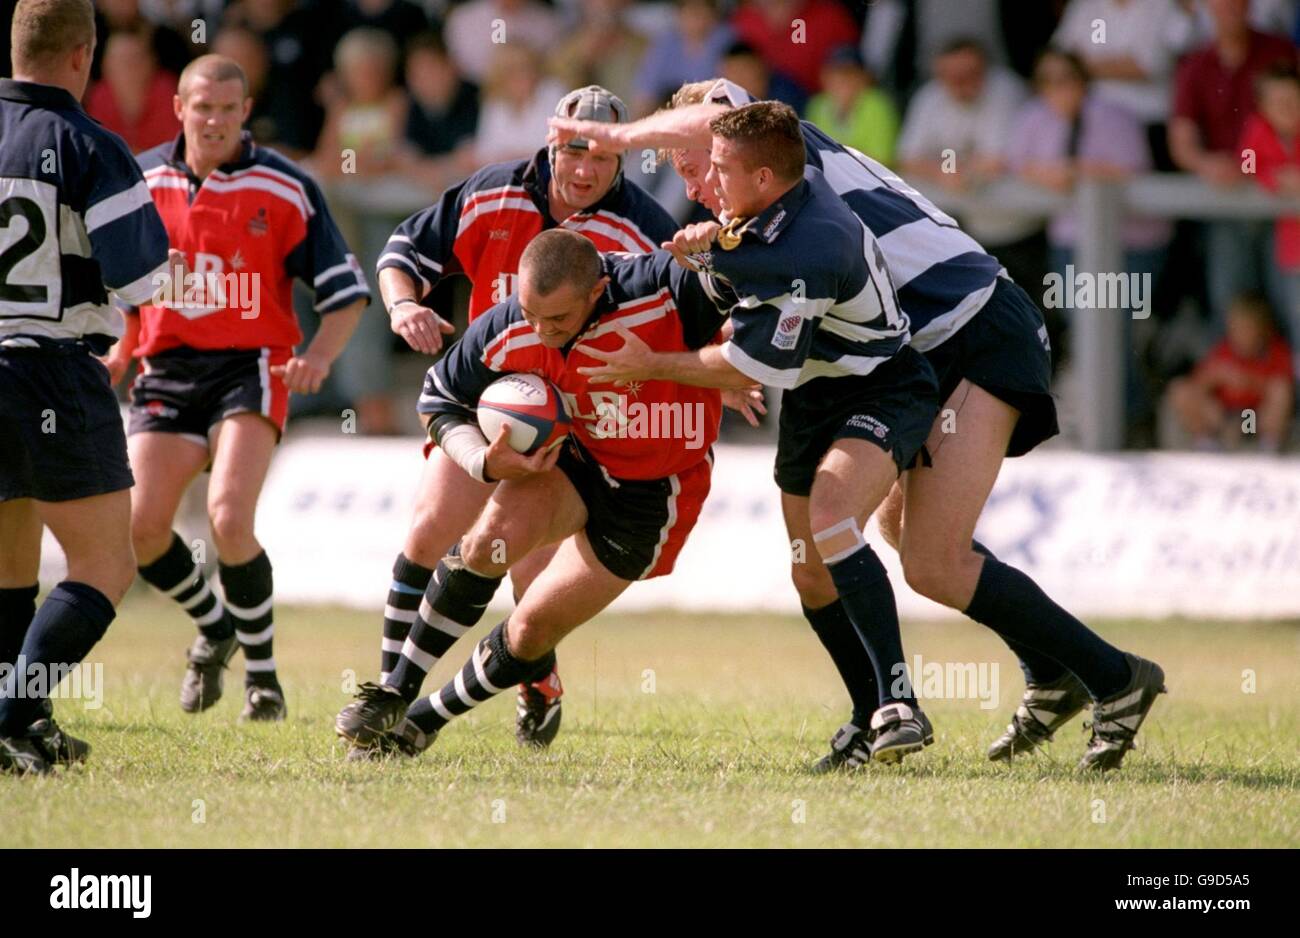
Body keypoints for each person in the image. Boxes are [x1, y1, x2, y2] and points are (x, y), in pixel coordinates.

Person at [552, 81, 1169, 772]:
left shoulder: (790, 155)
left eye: (694, 165)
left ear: (729, 146)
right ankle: (1044, 677)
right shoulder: (752, 210)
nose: (693, 186)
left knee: (932, 560)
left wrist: (615, 137)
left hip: (976, 326)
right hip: (918, 352)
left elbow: (722, 128)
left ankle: (1116, 680)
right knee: (899, 537)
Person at [343, 87, 693, 756]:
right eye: (573, 151)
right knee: (431, 530)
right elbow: (401, 253)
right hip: (491, 396)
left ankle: (537, 679)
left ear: (623, 157)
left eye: (604, 155)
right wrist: (401, 308)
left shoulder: (644, 227)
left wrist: (715, 372)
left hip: (585, 424)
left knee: (527, 581)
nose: (586, 169)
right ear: (550, 142)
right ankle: (388, 696)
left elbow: (688, 309)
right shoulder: (490, 192)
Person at [102, 55, 370, 722]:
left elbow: (346, 293)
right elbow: (124, 289)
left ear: (245, 111)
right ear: (179, 109)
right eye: (203, 107)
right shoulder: (139, 180)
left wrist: (318, 356)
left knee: (227, 518)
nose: (215, 119)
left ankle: (264, 679)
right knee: (139, 529)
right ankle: (215, 624)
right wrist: (120, 348)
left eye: (228, 108)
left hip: (249, 366)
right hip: (164, 372)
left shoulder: (285, 186)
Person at [0, 0, 172, 774]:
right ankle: (10, 715)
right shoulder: (86, 142)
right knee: (105, 564)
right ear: (84, 55)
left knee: (9, 565)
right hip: (51, 369)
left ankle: (20, 726)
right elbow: (140, 275)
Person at [1169, 292, 1293, 451]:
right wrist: (1216, 377)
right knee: (1179, 389)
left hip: (1256, 420)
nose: (1240, 334)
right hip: (1225, 420)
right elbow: (1196, 385)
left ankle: (1268, 445)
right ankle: (1207, 443)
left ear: (1262, 329)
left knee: (1280, 390)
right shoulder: (1223, 350)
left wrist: (1250, 382)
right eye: (1235, 328)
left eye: (1246, 328)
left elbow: (1284, 388)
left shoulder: (1275, 352)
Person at [805, 45, 898, 166]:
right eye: (837, 73)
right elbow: (810, 153)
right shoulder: (818, 105)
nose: (843, 80)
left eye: (850, 74)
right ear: (825, 77)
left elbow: (883, 160)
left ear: (865, 77)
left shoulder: (878, 105)